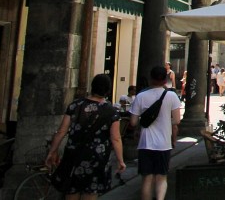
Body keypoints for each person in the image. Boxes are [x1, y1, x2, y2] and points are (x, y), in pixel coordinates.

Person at [45, 73, 126, 199]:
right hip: (96, 158)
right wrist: (121, 160)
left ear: (92, 87)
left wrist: (53, 150)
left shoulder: (75, 105)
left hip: (74, 156)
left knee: (72, 190)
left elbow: (61, 131)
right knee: (90, 192)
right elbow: (116, 138)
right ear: (108, 90)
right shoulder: (111, 112)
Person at [130, 65, 182, 200]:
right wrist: (165, 122)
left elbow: (133, 122)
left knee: (147, 178)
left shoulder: (141, 96)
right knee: (161, 177)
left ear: (151, 79)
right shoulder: (171, 96)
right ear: (165, 80)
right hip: (164, 143)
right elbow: (177, 120)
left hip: (145, 143)